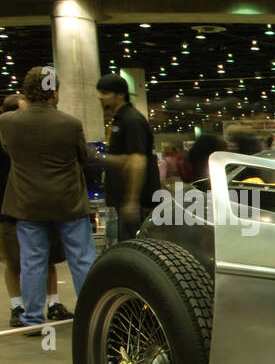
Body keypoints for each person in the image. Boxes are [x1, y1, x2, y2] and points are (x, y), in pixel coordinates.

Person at [0, 67, 96, 333]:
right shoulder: (70, 123)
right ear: (54, 91)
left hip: (28, 204)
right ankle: (92, 314)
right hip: (69, 202)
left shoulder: (7, 122)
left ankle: (32, 320)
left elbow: (9, 150)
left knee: (32, 261)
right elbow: (83, 157)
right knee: (82, 259)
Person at [1, 93, 67, 327]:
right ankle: (18, 307)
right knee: (15, 262)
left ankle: (54, 304)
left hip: (39, 208)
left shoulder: (33, 139)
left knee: (48, 259)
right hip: (9, 211)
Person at [96, 73, 160, 243]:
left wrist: (132, 200)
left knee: (135, 248)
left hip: (136, 202)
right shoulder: (119, 120)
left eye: (105, 93)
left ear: (120, 95)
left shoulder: (132, 120)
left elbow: (137, 161)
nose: (99, 97)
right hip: (124, 201)